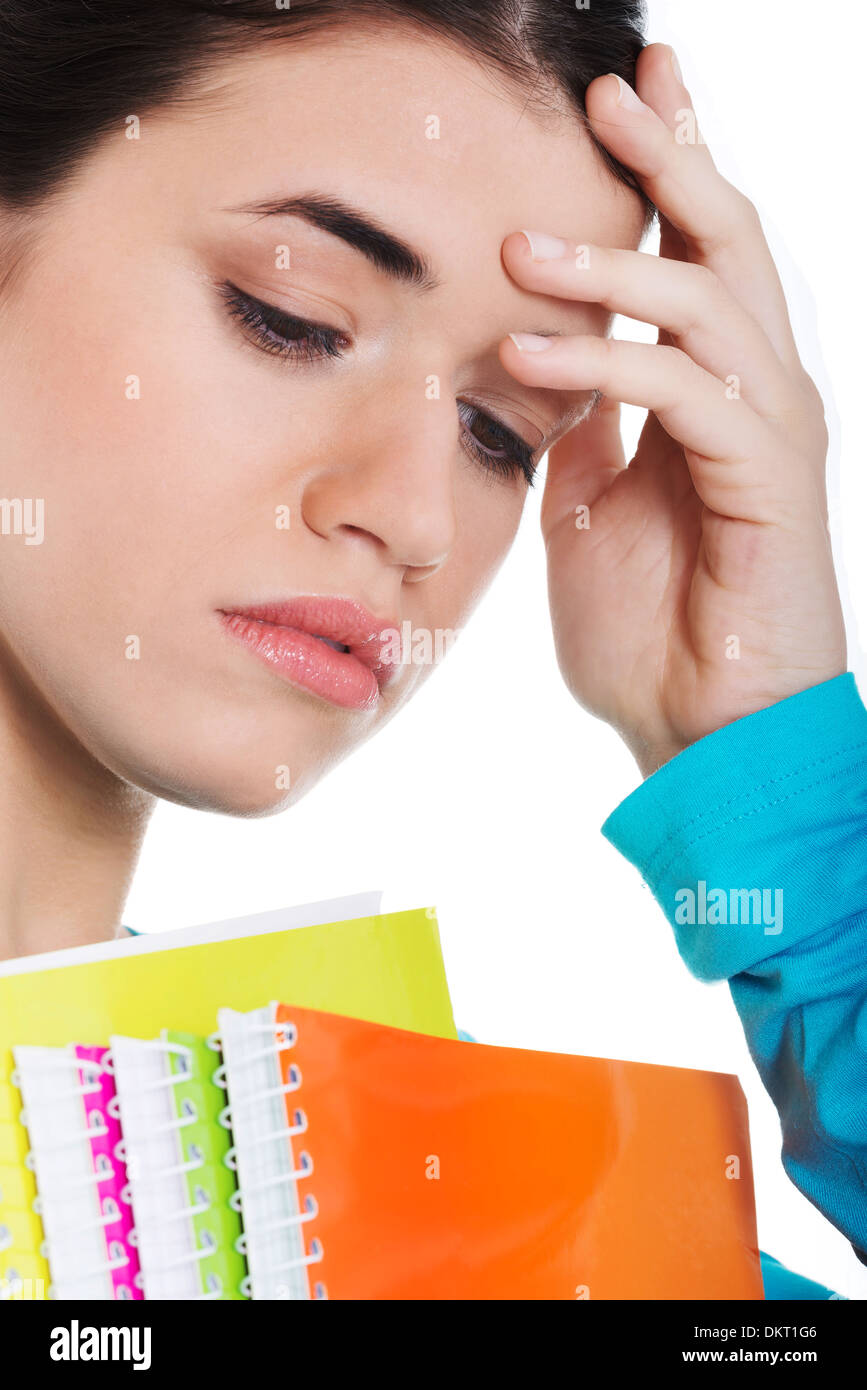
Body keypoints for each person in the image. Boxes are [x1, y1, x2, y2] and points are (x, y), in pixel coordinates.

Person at [0, 0, 863, 1286]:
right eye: (290, 316)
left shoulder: (469, 1235)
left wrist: (768, 764)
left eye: (499, 435)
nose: (413, 516)